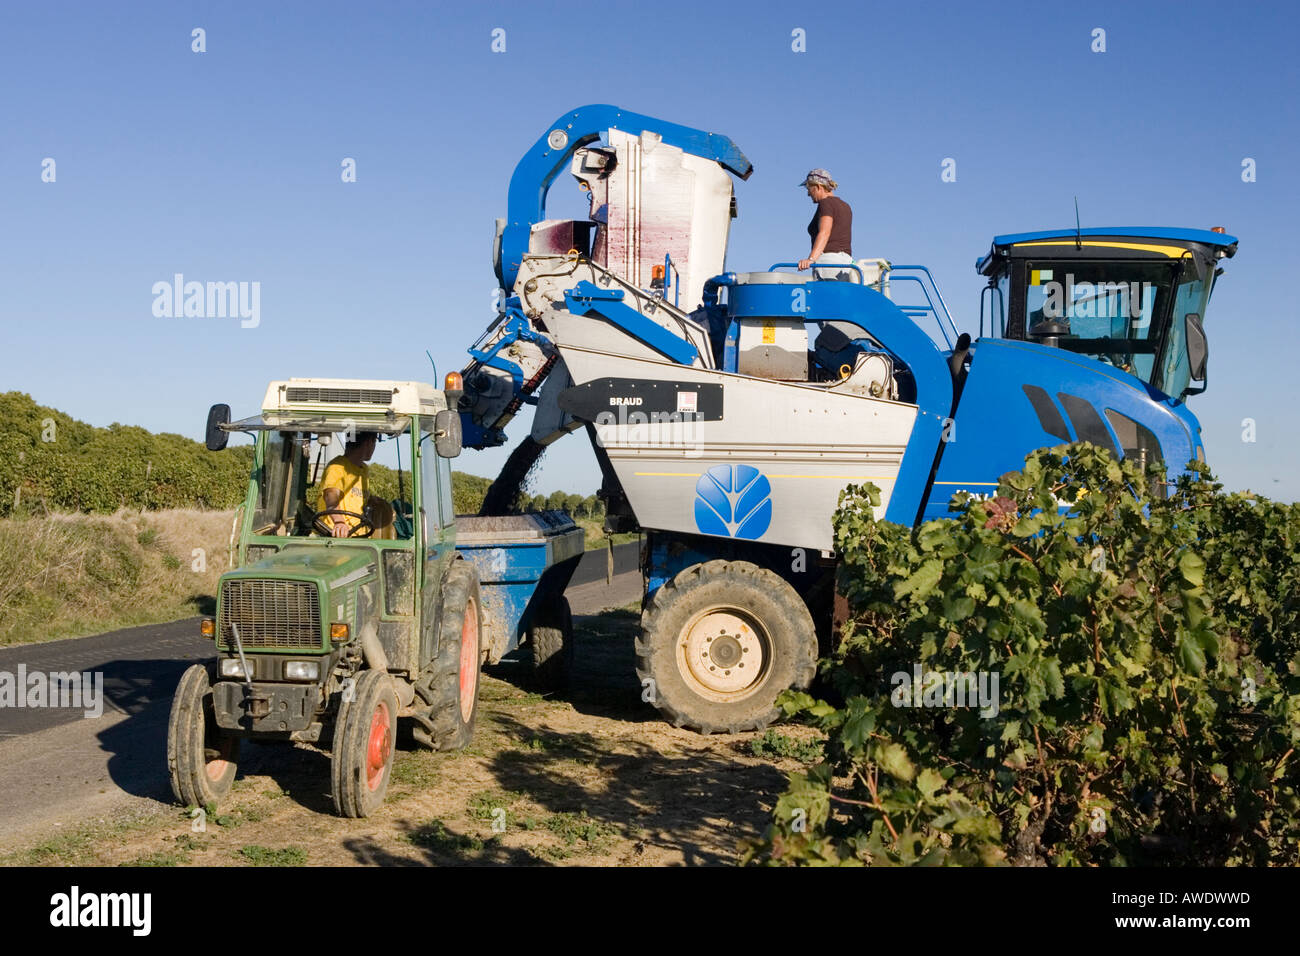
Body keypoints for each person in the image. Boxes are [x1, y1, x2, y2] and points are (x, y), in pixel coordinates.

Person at [318, 431, 395, 539]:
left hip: (358, 535)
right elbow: (330, 496)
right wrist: (339, 523)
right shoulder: (337, 467)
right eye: (375, 442)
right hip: (336, 537)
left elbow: (356, 498)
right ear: (369, 442)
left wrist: (376, 502)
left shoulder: (363, 469)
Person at [796, 169, 854, 280]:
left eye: (809, 189)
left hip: (828, 262)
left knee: (824, 297)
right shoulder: (846, 206)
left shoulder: (825, 203)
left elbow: (824, 232)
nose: (808, 194)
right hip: (846, 263)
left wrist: (811, 259)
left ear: (818, 186)